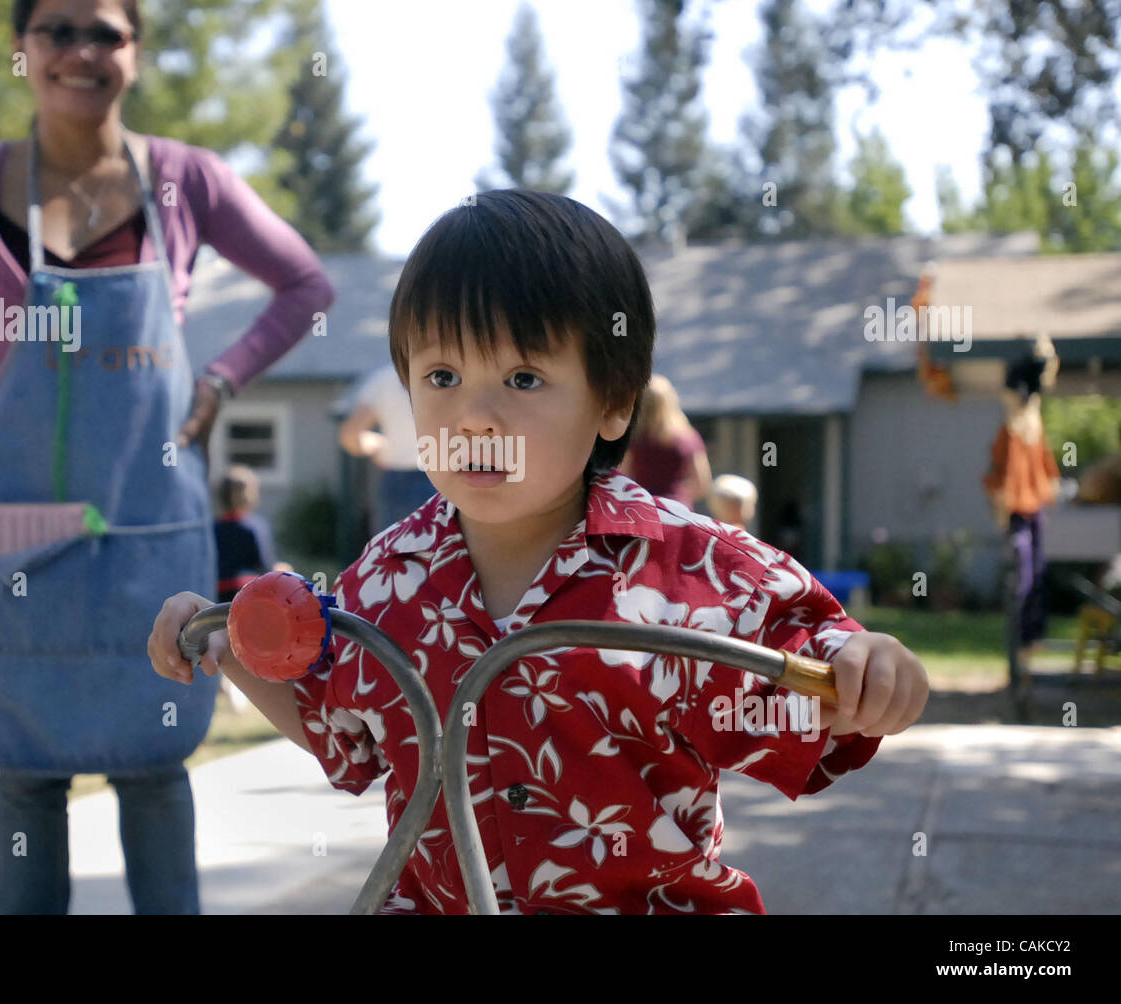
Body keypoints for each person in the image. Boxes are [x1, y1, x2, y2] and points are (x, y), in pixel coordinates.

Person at [148, 190, 929, 915]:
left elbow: (813, 665)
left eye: (523, 377)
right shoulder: (387, 579)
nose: (477, 417)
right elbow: (336, 730)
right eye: (442, 376)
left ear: (615, 403)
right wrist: (231, 643)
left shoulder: (691, 568)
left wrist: (871, 665)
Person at [0, 0, 334, 914]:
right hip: (17, 525)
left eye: (106, 31)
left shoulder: (189, 180)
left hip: (150, 528)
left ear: (137, 53)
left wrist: (223, 380)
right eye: (58, 30)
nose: (82, 51)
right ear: (21, 51)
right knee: (26, 771)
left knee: (155, 764)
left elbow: (307, 285)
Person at [982, 338, 1062, 673]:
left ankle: (1031, 640)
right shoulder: (1013, 430)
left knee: (1035, 575)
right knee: (1024, 576)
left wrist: (1046, 350)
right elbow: (997, 478)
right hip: (1017, 512)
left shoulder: (1029, 425)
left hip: (1030, 509)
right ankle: (1025, 644)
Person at [339, 363, 434, 536]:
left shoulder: (382, 380)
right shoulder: (444, 376)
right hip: (440, 477)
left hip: (396, 481)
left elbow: (350, 436)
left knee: (392, 552)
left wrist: (379, 445)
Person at [622, 373, 711, 509]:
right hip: (678, 510)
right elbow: (701, 484)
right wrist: (678, 494)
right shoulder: (687, 437)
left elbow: (623, 479)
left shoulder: (632, 438)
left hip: (643, 509)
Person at [214, 465, 292, 604]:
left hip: (218, 593)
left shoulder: (213, 528)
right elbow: (267, 566)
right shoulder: (255, 527)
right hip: (249, 593)